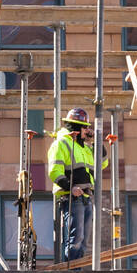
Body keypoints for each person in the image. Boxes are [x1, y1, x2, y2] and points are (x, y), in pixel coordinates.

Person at [47, 108, 108, 263]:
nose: (88, 130)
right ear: (75, 127)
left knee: (83, 242)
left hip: (86, 197)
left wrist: (94, 141)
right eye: (85, 127)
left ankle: (77, 272)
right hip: (71, 197)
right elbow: (55, 171)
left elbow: (103, 163)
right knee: (75, 239)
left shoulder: (85, 147)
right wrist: (70, 188)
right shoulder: (61, 144)